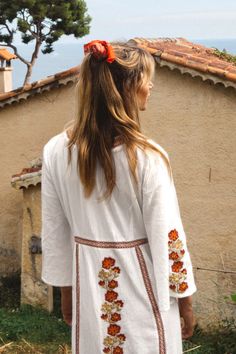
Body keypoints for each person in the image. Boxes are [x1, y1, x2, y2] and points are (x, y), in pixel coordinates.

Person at [41, 40, 197, 354]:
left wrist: (66, 292)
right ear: (127, 87)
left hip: (90, 296)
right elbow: (169, 238)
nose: (150, 86)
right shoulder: (149, 158)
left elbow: (54, 234)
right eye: (145, 78)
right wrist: (186, 302)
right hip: (146, 296)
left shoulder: (56, 152)